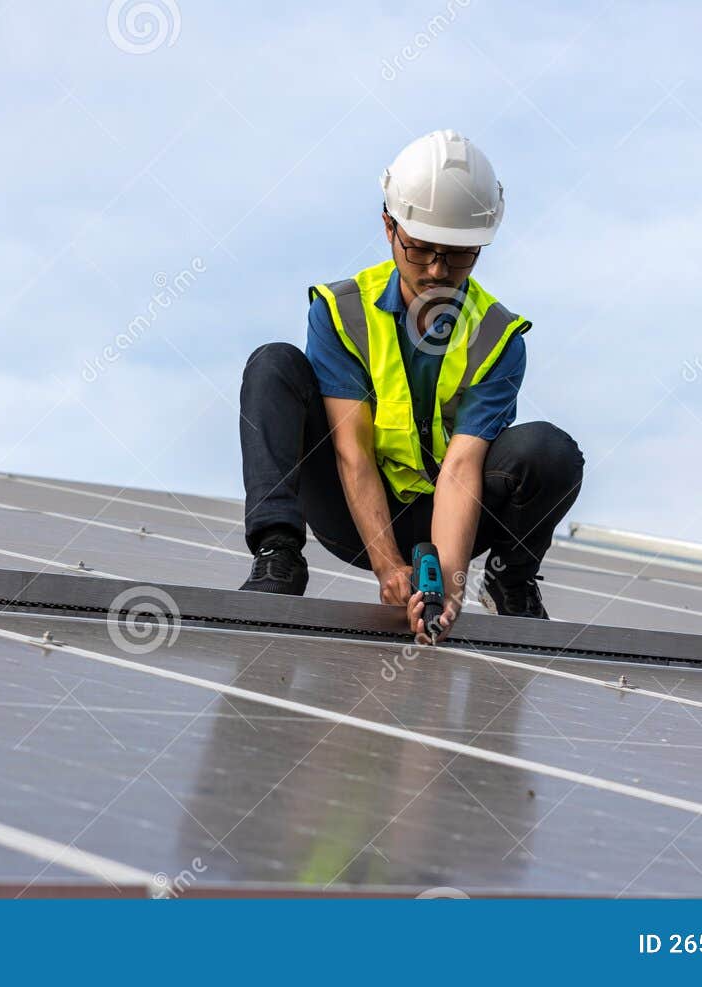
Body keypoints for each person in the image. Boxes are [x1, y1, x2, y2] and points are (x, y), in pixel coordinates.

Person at [237, 129, 584, 641]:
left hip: (453, 515)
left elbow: (463, 466)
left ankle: (511, 578)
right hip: (352, 512)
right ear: (389, 228)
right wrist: (388, 567)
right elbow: (352, 453)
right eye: (421, 251)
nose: (438, 271)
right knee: (273, 366)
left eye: (459, 254)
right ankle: (278, 557)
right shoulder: (343, 312)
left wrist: (450, 586)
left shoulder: (498, 336)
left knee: (549, 451)